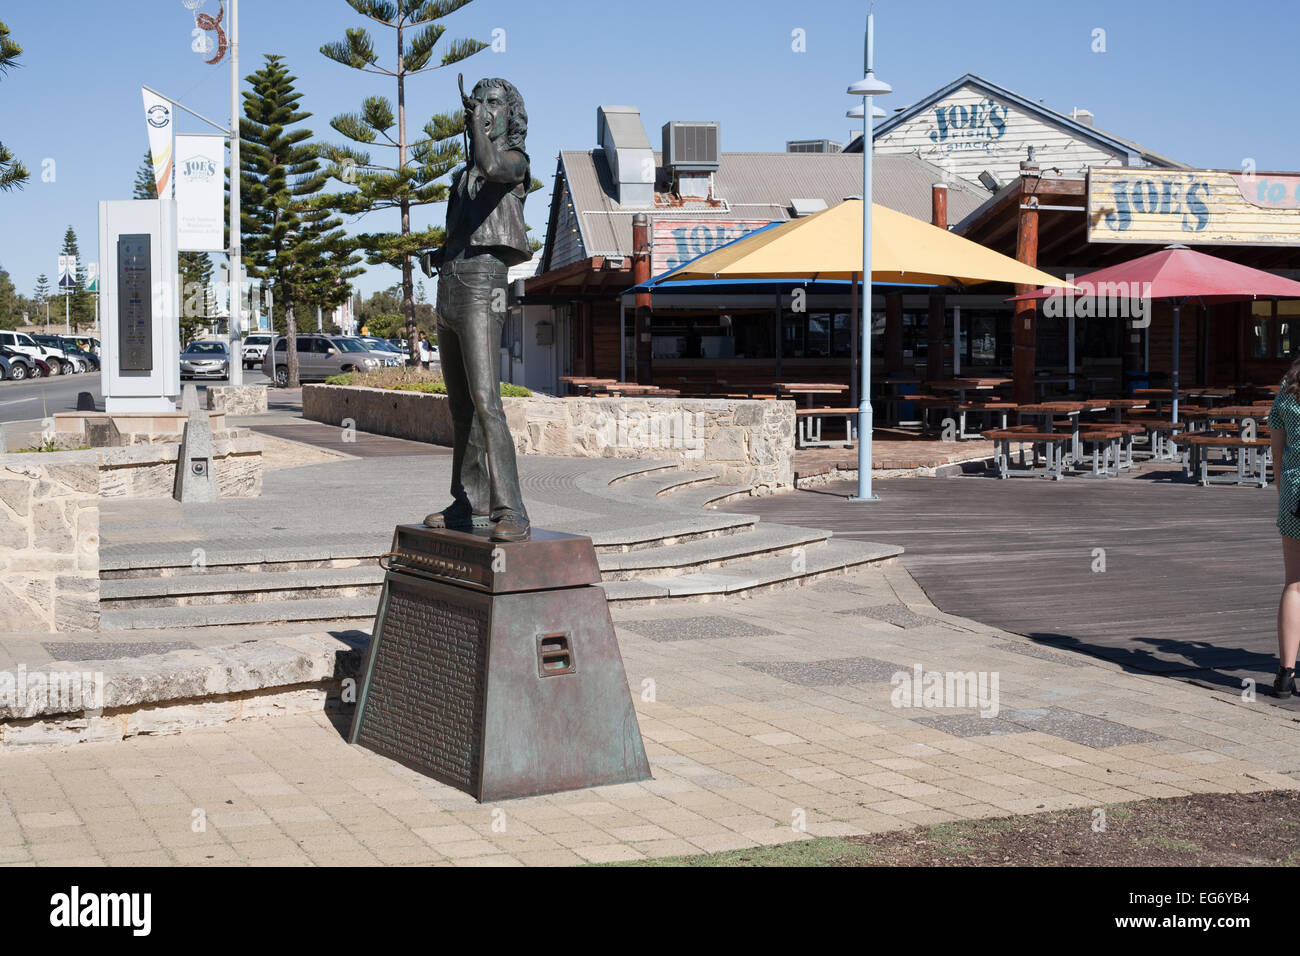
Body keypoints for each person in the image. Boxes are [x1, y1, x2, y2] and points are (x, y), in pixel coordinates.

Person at [417, 77, 532, 543]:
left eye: (492, 104)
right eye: (477, 102)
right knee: (461, 406)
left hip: (485, 284)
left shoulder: (515, 162)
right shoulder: (461, 176)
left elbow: (490, 162)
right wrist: (440, 255)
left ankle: (512, 509)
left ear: (510, 116)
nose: (482, 109)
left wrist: (475, 128)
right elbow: (462, 230)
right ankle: (469, 502)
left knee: (487, 402)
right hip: (450, 285)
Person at [1269, 363, 1300, 697]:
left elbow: (1277, 451)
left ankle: (1285, 676)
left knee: (1295, 584)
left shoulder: (1286, 391)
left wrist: (1284, 492)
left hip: (1295, 491)